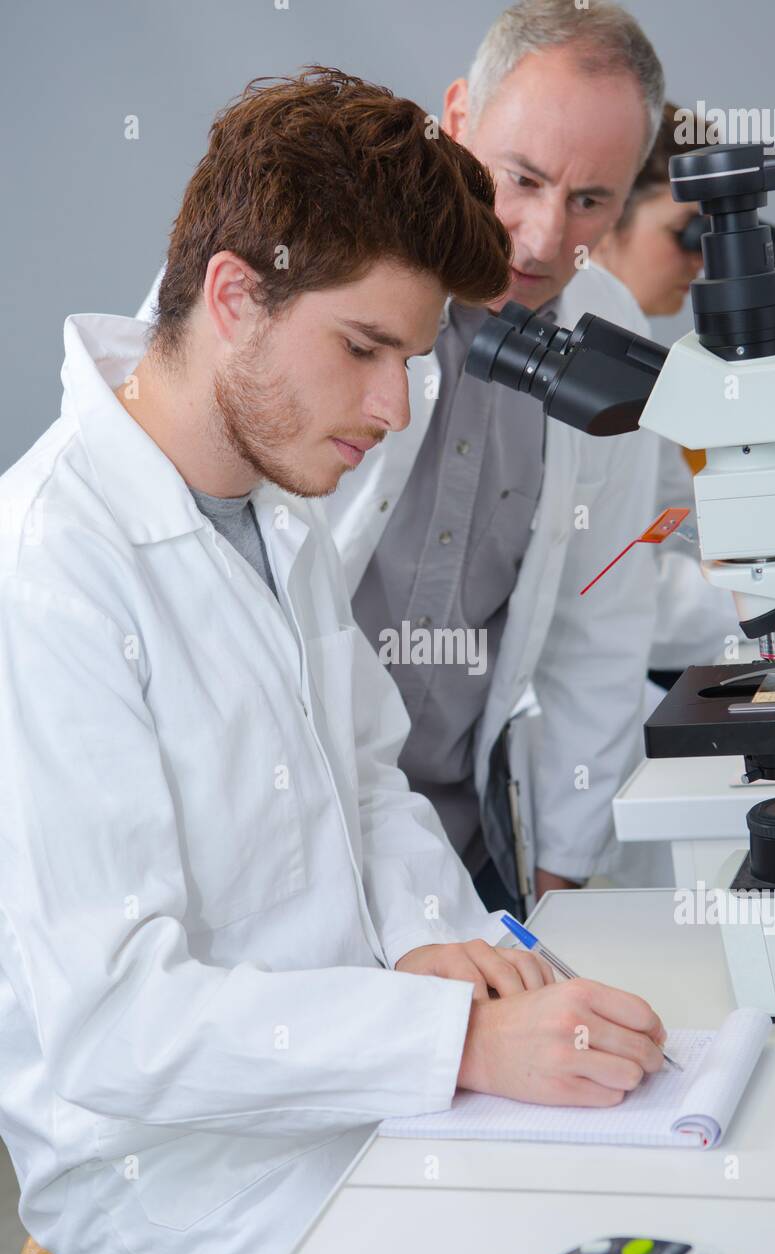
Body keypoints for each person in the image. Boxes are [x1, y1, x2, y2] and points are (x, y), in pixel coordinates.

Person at [0, 68, 668, 1254]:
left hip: (346, 1091)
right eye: (362, 348)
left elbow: (364, 778)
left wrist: (448, 948)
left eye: (410, 359)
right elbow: (115, 1030)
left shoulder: (271, 509)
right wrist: (453, 1038)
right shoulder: (50, 569)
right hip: (183, 1187)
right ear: (234, 294)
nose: (388, 406)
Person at [137, 0, 666, 915]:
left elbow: (600, 631)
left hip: (451, 841)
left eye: (591, 201)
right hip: (273, 831)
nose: (541, 239)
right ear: (457, 119)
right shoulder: (297, 276)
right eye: (523, 178)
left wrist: (561, 898)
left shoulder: (608, 340)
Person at [593, 101, 739, 696]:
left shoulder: (635, 348)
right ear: (605, 217)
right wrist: (758, 606)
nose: (701, 261)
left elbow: (671, 525)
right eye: (685, 233)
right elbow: (613, 586)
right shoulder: (589, 367)